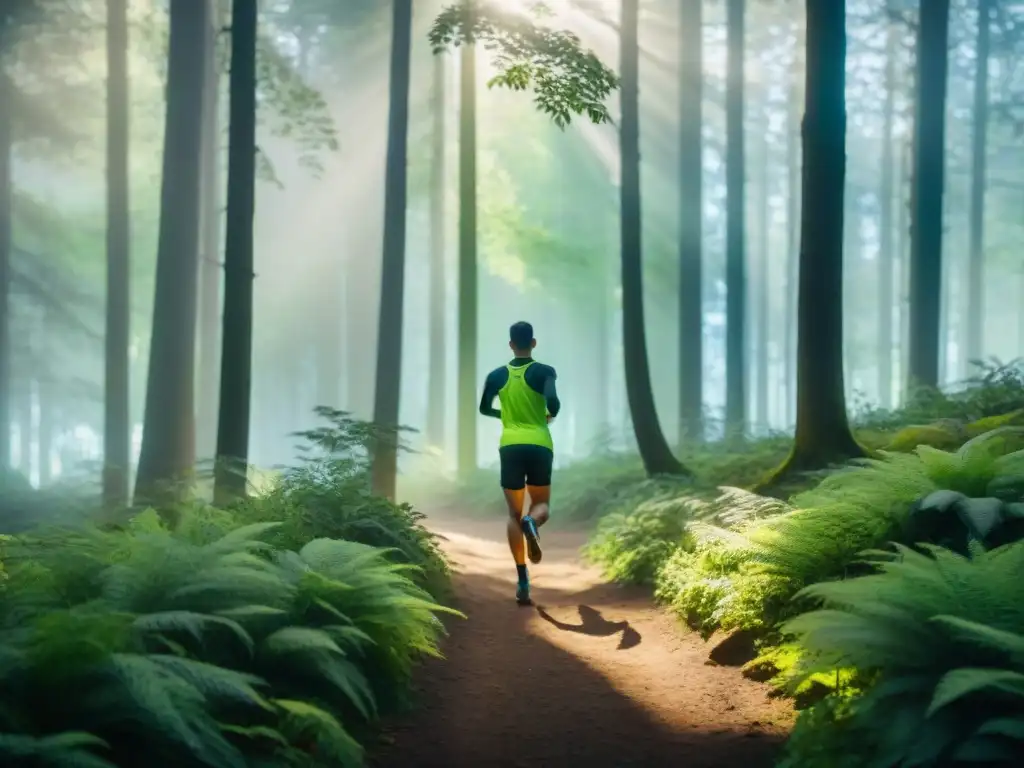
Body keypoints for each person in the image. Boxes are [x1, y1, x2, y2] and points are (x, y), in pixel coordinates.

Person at [479, 320, 560, 606]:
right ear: (533, 343)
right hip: (539, 445)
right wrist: (547, 416)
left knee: (513, 514)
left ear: (511, 344)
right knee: (542, 507)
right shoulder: (544, 371)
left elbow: (484, 408)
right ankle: (533, 521)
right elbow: (554, 403)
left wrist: (506, 417)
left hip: (510, 446)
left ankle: (523, 580)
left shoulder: (497, 375)